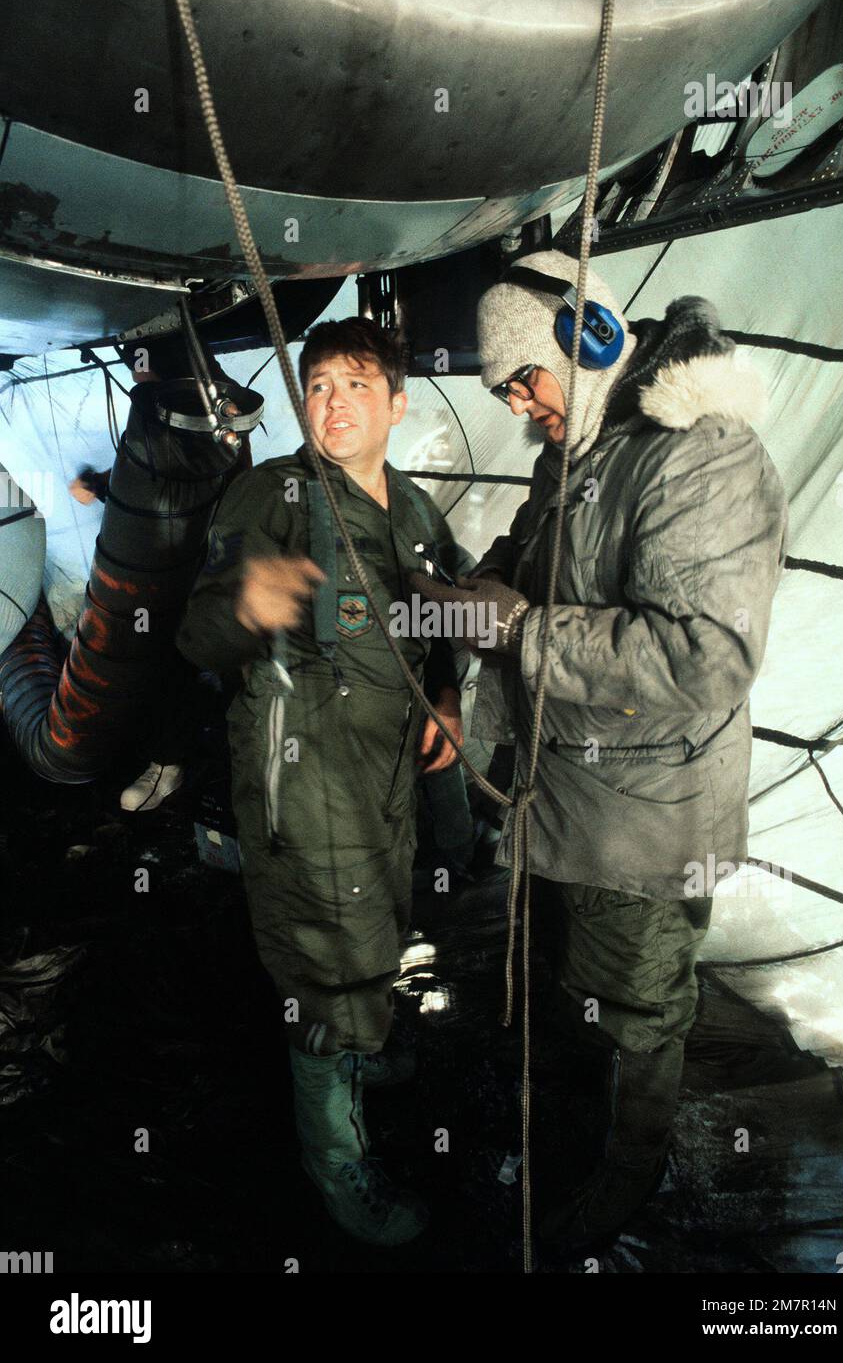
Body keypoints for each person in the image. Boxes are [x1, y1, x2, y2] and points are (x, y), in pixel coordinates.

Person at [411, 249, 789, 1258]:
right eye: (498, 391)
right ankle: (555, 1153)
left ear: (585, 338)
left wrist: (516, 634)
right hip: (557, 802)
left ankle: (613, 1196)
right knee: (559, 1004)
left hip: (642, 825)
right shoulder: (576, 449)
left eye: (521, 379)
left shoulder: (700, 453)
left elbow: (703, 656)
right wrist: (463, 615)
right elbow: (524, 559)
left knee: (628, 1021)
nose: (515, 406)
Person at [175, 317, 463, 1246]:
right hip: (302, 779)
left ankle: (360, 1040)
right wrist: (244, 609)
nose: (334, 404)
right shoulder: (272, 496)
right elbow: (195, 635)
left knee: (376, 918)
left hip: (384, 778)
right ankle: (337, 1168)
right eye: (319, 387)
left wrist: (447, 701)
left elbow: (439, 618)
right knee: (320, 957)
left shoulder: (413, 513)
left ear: (398, 400)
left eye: (355, 384)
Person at [69, 340, 253, 812]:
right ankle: (172, 761)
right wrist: (102, 484)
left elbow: (182, 465)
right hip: (182, 560)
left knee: (233, 665)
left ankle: (240, 770)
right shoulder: (170, 406)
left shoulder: (209, 411)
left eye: (143, 373)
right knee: (173, 656)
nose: (139, 382)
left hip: (222, 558)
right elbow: (152, 465)